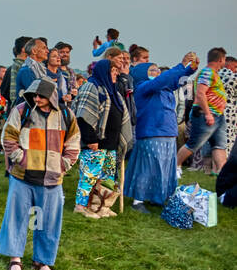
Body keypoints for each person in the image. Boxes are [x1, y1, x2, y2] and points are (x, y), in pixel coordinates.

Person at [0, 79, 80, 270]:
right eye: (34, 95)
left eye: (41, 95)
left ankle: (41, 261)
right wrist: (21, 159)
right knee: (17, 217)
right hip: (22, 176)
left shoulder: (66, 115)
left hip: (52, 179)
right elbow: (8, 137)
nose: (37, 99)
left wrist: (64, 164)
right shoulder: (21, 110)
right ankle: (15, 258)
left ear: (51, 97)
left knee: (48, 221)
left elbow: (74, 141)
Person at [125, 53, 197, 210]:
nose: (156, 72)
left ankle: (156, 197)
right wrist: (181, 64)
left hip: (168, 133)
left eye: (157, 70)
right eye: (152, 70)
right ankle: (138, 201)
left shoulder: (165, 89)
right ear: (141, 74)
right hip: (151, 133)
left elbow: (175, 81)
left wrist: (190, 70)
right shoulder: (143, 87)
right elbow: (162, 80)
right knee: (148, 168)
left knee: (164, 168)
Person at [71, 54, 132, 218]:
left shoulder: (113, 92)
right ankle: (81, 205)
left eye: (117, 71)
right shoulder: (91, 87)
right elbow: (83, 116)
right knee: (90, 176)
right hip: (95, 143)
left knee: (107, 178)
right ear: (104, 71)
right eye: (113, 70)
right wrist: (91, 139)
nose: (116, 74)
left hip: (110, 144)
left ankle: (100, 206)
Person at [177, 47, 228, 175]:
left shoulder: (214, 74)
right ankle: (175, 167)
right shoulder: (207, 72)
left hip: (217, 116)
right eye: (225, 59)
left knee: (219, 145)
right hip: (205, 115)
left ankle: (224, 174)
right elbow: (200, 94)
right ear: (221, 59)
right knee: (194, 143)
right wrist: (208, 114)